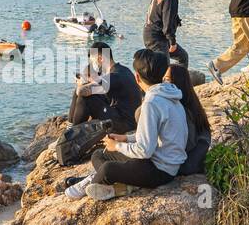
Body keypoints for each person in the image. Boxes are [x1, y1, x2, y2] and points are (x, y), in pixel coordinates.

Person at [66, 49, 188, 201]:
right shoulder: (170, 94)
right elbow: (151, 136)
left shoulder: (151, 103)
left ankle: (103, 182)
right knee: (98, 155)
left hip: (160, 170)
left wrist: (116, 146)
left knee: (107, 169)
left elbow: (144, 151)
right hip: (162, 161)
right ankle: (110, 182)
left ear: (137, 77)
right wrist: (125, 138)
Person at [68, 42, 142, 134]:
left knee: (85, 97)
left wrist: (81, 84)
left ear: (101, 58)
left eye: (92, 62)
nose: (92, 66)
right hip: (128, 118)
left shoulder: (114, 76)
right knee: (87, 92)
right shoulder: (123, 70)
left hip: (126, 124)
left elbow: (81, 91)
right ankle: (70, 129)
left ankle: (72, 135)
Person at [166, 58, 211, 175]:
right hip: (194, 156)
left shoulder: (182, 109)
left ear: (177, 82)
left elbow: (187, 144)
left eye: (166, 79)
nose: (162, 84)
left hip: (188, 163)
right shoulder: (191, 103)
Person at [144, 0, 191, 66]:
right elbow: (168, 20)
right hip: (157, 37)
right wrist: (172, 41)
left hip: (152, 34)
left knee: (182, 57)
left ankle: (176, 80)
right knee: (163, 66)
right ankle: (172, 81)